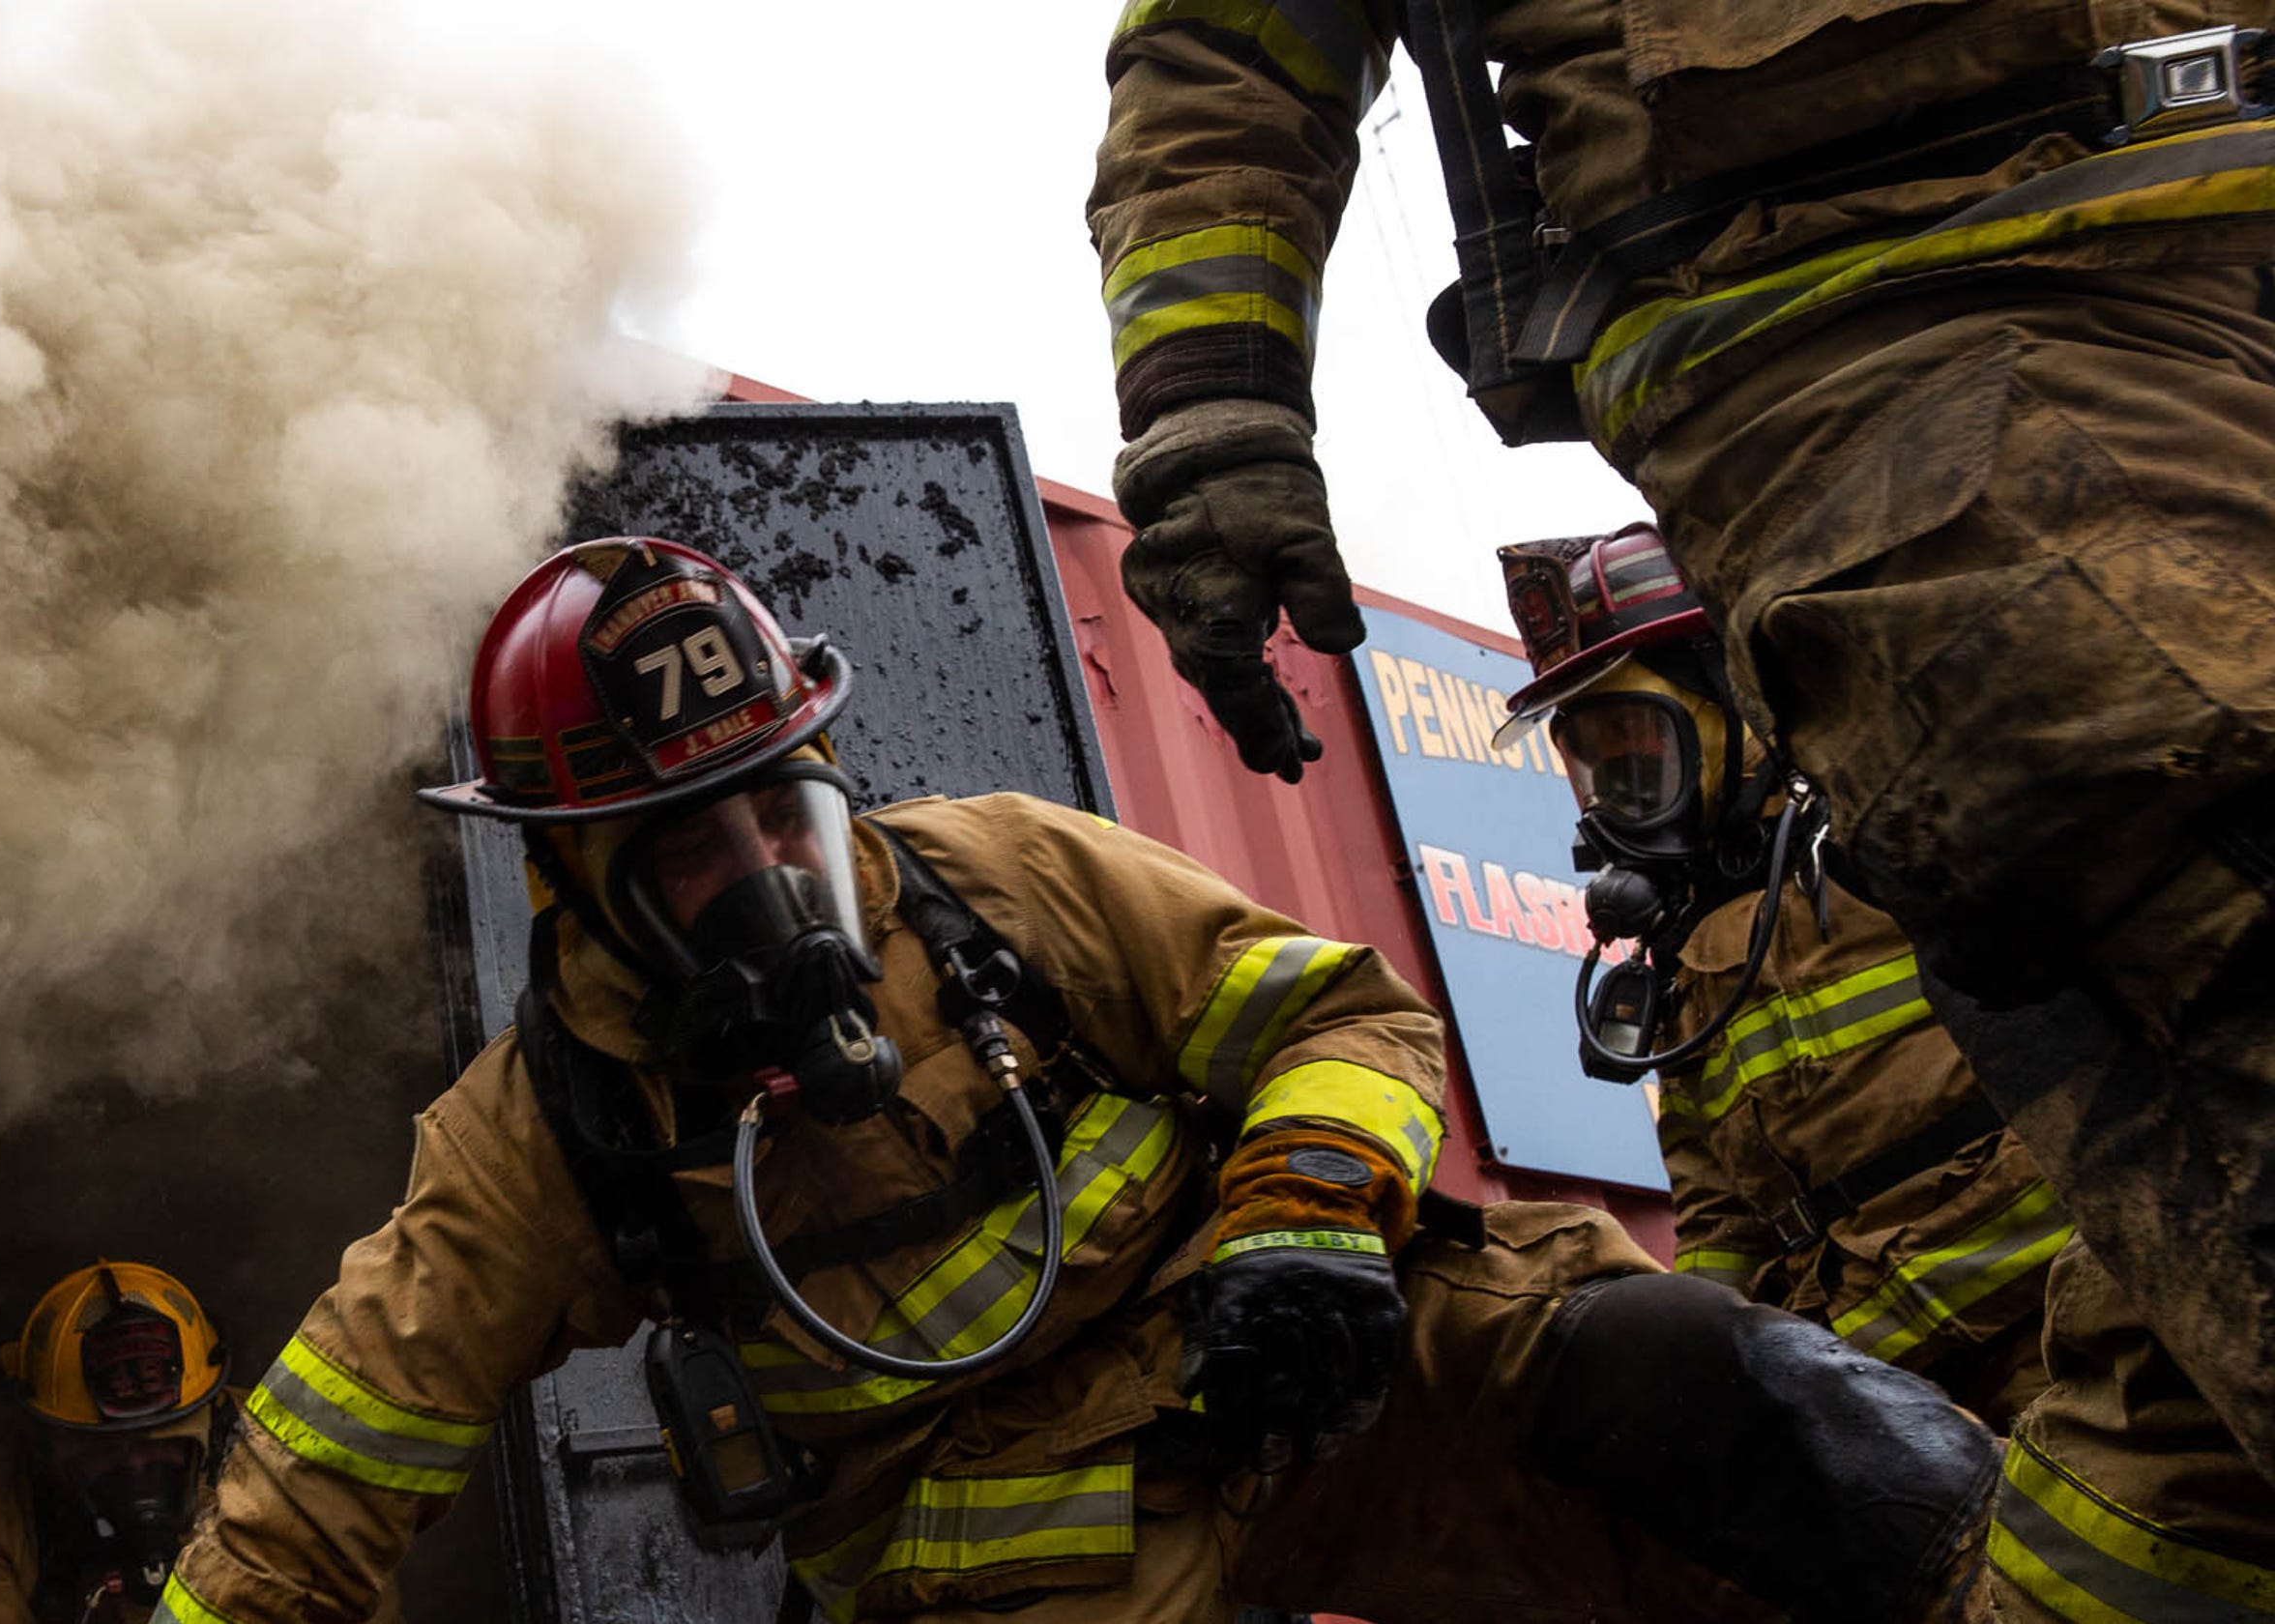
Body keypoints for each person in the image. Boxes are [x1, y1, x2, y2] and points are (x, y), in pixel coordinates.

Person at [156, 536, 1993, 1624]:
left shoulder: (993, 875)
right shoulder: (536, 1141)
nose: (767, 877)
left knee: (1734, 1397)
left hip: (1286, 1358)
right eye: (687, 853)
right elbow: (319, 1478)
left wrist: (1304, 1217)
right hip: (1014, 1559)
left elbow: (1336, 1017)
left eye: (778, 808)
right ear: (576, 877)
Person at [1084, 3, 2275, 1586]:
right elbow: (1229, 38)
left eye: (1629, 752)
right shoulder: (1701, 985)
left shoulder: (1798, 905)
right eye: (1585, 763)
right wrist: (1214, 403)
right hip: (1907, 314)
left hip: (2218, 239)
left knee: (2193, 1361)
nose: (1606, 809)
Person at [1496, 524, 2065, 1424]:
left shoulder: (1894, 827)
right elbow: (1722, 1212)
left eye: (1639, 742)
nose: (1619, 788)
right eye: (1595, 759)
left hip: (2056, 1321)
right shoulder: (1685, 954)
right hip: (1890, 1383)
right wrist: (1720, 1368)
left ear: (1741, 700)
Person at [0, 1262, 237, 1624]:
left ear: (210, 1425)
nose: (137, 1468)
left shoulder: (276, 1457)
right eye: (110, 1450)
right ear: (50, 1447)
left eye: (165, 1443)